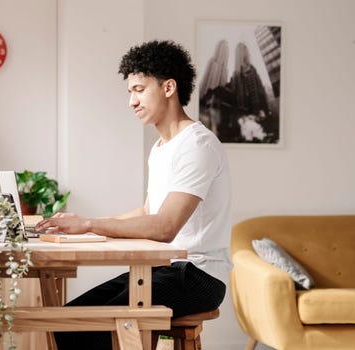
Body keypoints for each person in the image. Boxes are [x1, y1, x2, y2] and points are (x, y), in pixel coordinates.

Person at [35, 40, 232, 349]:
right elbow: (147, 212)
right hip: (164, 269)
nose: (131, 101)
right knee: (68, 320)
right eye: (130, 92)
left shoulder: (197, 145)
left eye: (139, 89)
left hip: (197, 276)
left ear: (168, 88)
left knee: (85, 328)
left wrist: (89, 225)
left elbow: (164, 227)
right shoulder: (161, 148)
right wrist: (81, 225)